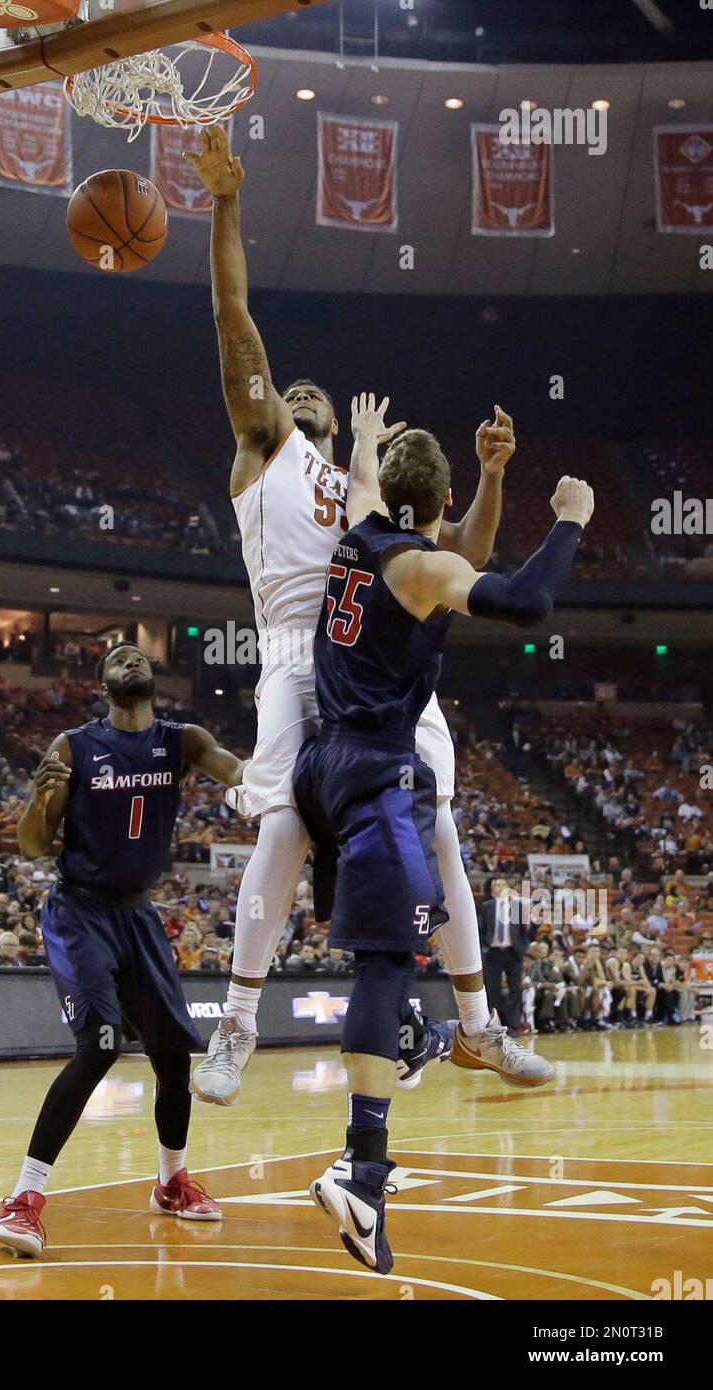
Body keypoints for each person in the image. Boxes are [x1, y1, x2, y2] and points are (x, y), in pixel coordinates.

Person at [186, 125, 550, 1106]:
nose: (296, 389)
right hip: (298, 657)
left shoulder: (372, 502)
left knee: (440, 832)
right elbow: (232, 317)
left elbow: (459, 562)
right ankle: (232, 1021)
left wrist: (486, 475)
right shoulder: (263, 445)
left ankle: (477, 1028)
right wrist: (225, 200)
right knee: (281, 831)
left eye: (312, 390)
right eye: (289, 387)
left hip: (377, 660)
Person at [291, 437, 593, 1272]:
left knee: (407, 936)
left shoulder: (357, 537)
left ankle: (421, 1038)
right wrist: (568, 521)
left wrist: (363, 446)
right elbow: (526, 601)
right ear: (434, 510)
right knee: (385, 963)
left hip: (322, 765)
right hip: (378, 770)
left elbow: (363, 494)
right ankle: (362, 1167)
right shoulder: (420, 569)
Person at [0, 644, 248, 1257]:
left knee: (173, 1056)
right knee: (100, 1043)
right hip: (80, 910)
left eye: (137, 654)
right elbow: (30, 847)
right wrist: (36, 800)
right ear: (103, 683)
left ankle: (171, 1184)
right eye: (117, 657)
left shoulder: (182, 741)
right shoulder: (72, 747)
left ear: (153, 677)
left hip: (138, 912)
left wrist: (295, 763)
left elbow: (239, 773)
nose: (129, 658)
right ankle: (23, 1200)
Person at [480, 877, 531, 1033]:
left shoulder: (517, 907)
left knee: (514, 990)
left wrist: (522, 948)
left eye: (502, 884)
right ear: (492, 890)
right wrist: (484, 948)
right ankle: (495, 1025)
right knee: (492, 990)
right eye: (496, 885)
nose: (499, 887)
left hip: (512, 952)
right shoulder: (486, 906)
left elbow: (524, 931)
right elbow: (482, 930)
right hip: (493, 953)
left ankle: (514, 1025)